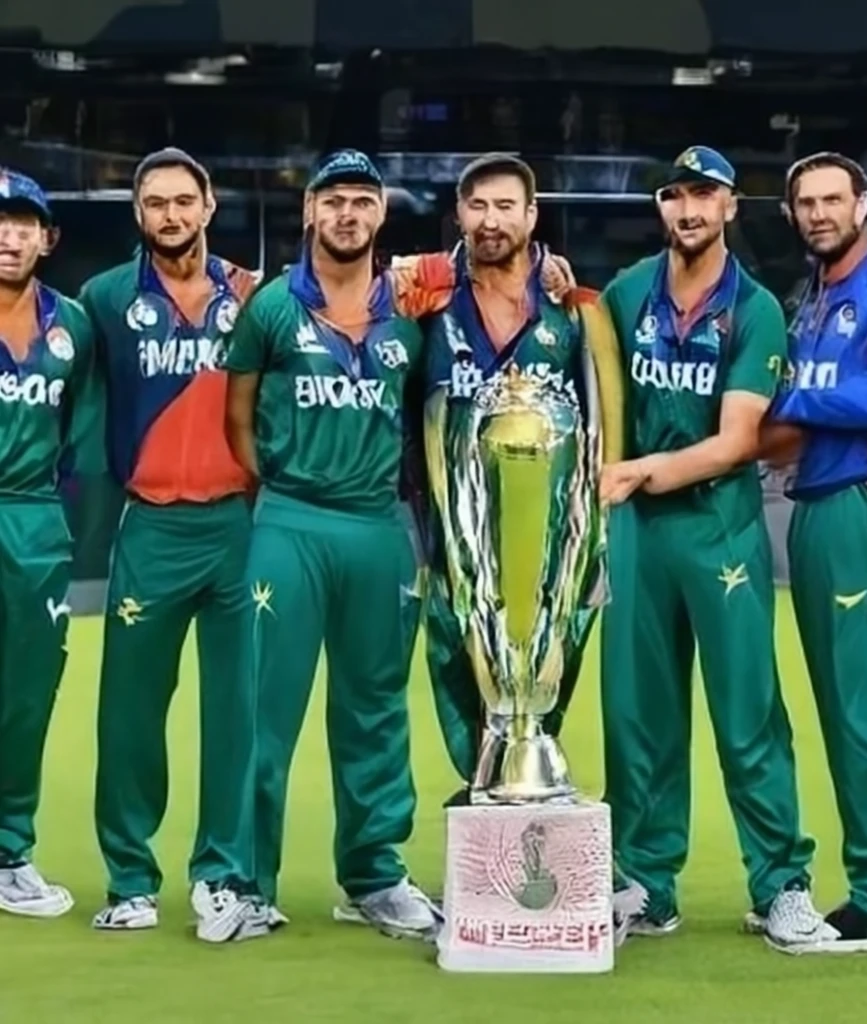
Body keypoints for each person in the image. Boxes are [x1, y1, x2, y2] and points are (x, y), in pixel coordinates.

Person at [223, 149, 465, 939]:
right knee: (264, 706)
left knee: (375, 708)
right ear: (310, 212)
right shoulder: (271, 307)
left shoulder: (410, 308)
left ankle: (373, 875)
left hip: (377, 528)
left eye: (362, 200)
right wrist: (280, 494)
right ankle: (245, 880)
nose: (348, 214)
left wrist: (557, 273)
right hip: (290, 522)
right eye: (334, 200)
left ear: (381, 214)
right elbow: (238, 419)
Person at [596, 145, 829, 949]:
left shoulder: (755, 308)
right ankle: (644, 884)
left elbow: (737, 442)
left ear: (730, 206)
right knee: (638, 715)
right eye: (676, 195)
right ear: (661, 206)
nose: (689, 209)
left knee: (747, 711)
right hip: (638, 533)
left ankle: (781, 885)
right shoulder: (626, 294)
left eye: (705, 195)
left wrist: (641, 471)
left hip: (718, 524)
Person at [79, 148, 265, 942]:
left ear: (209, 205)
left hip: (236, 531)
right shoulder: (105, 298)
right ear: (138, 213)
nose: (171, 215)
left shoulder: (252, 295)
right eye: (155, 203)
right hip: (150, 527)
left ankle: (221, 877)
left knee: (235, 714)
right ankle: (131, 881)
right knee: (128, 716)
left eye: (184, 200)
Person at [412, 152, 622, 798]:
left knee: (552, 649)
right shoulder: (427, 298)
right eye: (477, 206)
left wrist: (598, 512)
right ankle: (484, 775)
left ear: (532, 215)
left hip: (553, 533)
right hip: (455, 531)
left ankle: (529, 762)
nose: (490, 220)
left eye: (505, 206)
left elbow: (603, 413)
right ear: (459, 214)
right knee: (456, 653)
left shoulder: (573, 307)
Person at [760, 151, 867, 952]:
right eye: (807, 203)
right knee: (836, 707)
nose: (820, 213)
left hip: (861, 506)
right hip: (816, 509)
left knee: (866, 713)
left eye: (833, 199)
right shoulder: (812, 300)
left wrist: (796, 399)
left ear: (863, 205)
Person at [0, 169, 93, 919]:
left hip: (34, 525)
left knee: (25, 698)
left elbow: (81, 438)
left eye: (22, 224)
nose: (8, 236)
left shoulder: (73, 327)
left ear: (47, 238)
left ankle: (7, 852)